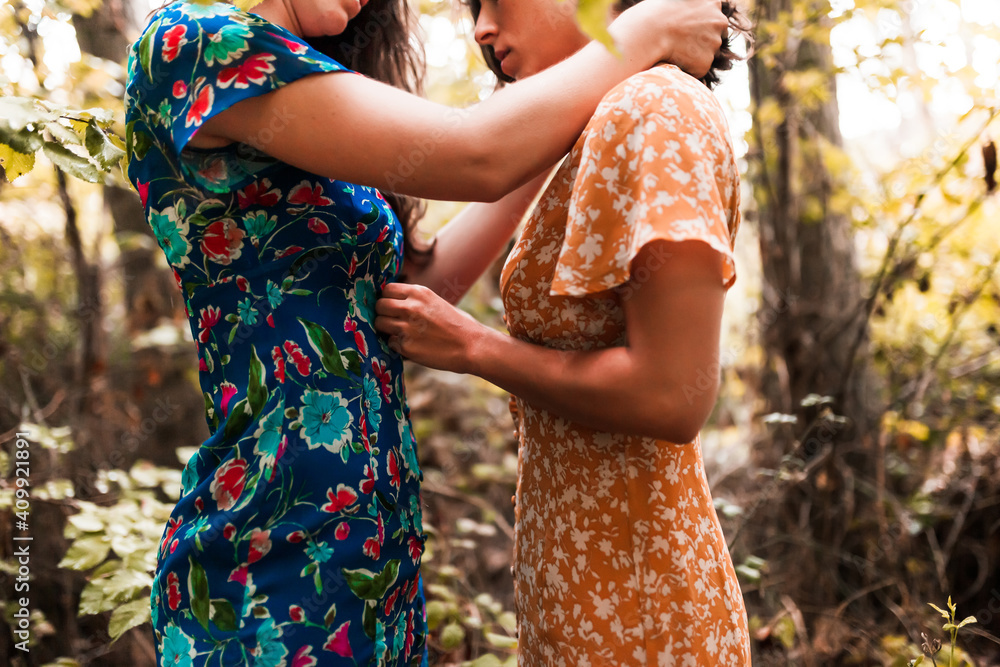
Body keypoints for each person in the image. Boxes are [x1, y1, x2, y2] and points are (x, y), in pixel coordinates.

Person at [123, 0, 728, 664]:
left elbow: (408, 293)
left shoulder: (313, 87)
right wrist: (643, 30)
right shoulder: (195, 41)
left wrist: (564, 110)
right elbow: (476, 153)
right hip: (270, 546)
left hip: (374, 559)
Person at [373, 0, 753, 664]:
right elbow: (437, 263)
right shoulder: (599, 125)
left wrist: (475, 346)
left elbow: (674, 395)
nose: (482, 28)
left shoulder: (656, 111)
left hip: (643, 610)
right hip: (584, 600)